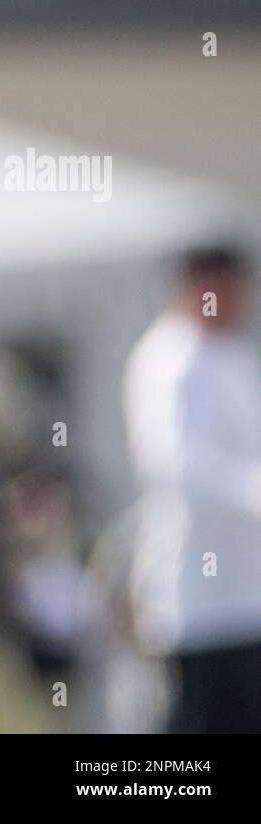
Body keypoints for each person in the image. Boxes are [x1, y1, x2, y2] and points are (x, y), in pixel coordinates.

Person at [123, 245, 261, 733]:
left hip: (249, 591)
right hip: (198, 594)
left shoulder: (236, 353)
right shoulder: (171, 359)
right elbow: (173, 462)